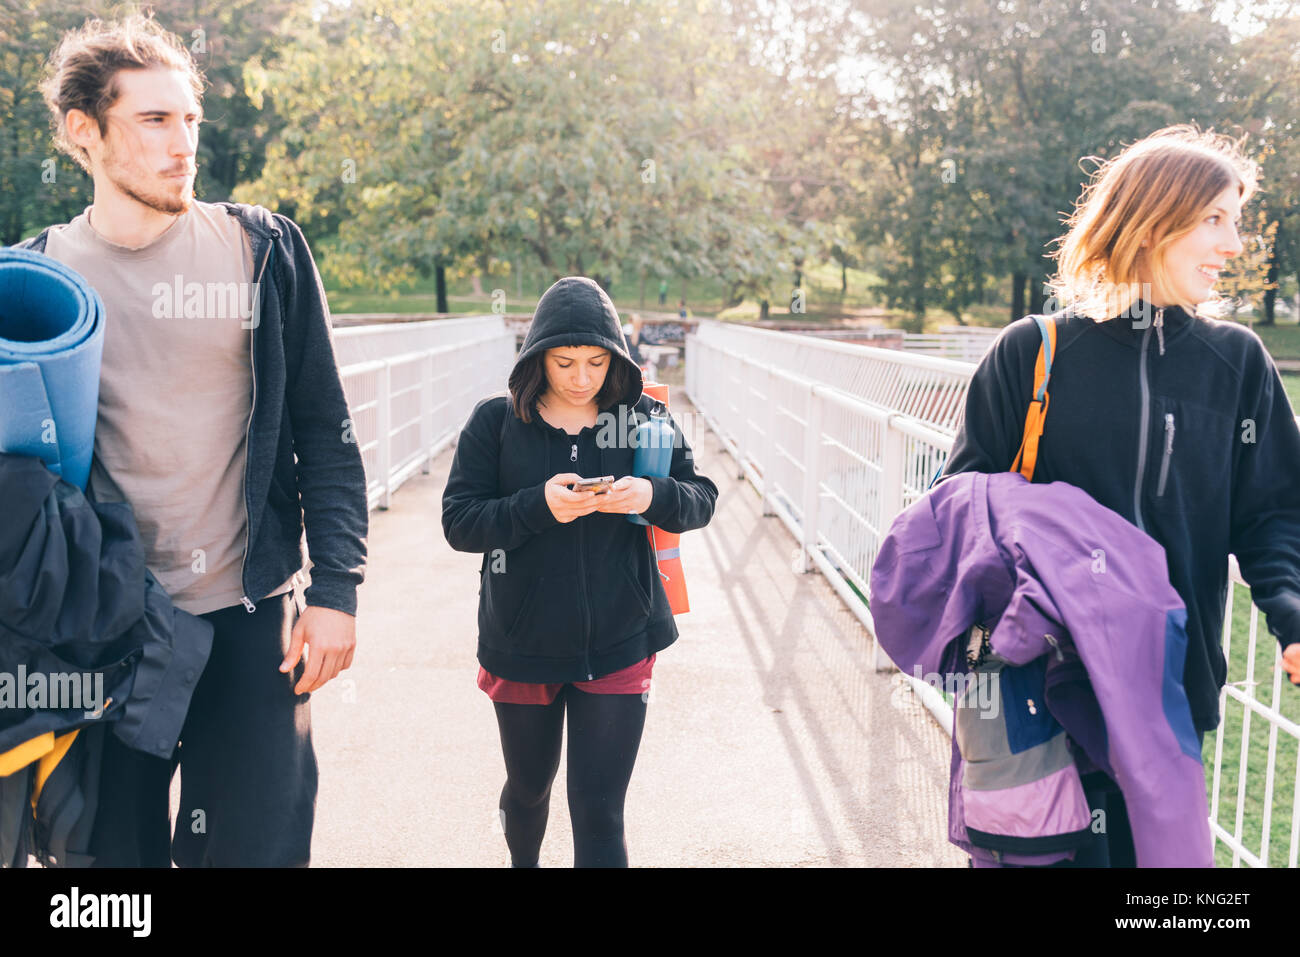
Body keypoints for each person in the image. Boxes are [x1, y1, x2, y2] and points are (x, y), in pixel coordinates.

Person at [18, 12, 368, 866]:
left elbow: (324, 429)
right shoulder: (34, 280)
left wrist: (338, 591)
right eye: (154, 120)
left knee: (256, 853)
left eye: (191, 120)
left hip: (250, 623)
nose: (184, 144)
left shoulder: (263, 250)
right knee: (106, 876)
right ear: (83, 131)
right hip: (107, 633)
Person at [940, 125, 1300, 867]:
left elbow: (1271, 513)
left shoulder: (1236, 362)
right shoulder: (1031, 352)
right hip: (1038, 696)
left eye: (1236, 221)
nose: (1234, 245)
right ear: (1150, 220)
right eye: (1215, 219)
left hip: (1170, 700)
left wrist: (1291, 616)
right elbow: (959, 511)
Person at [441, 276, 718, 867]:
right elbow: (460, 523)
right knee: (528, 792)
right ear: (537, 357)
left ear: (615, 358)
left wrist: (650, 493)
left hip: (621, 638)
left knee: (599, 810)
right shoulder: (495, 422)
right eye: (565, 362)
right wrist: (537, 506)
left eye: (596, 361)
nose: (582, 377)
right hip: (522, 643)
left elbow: (701, 498)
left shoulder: (645, 418)